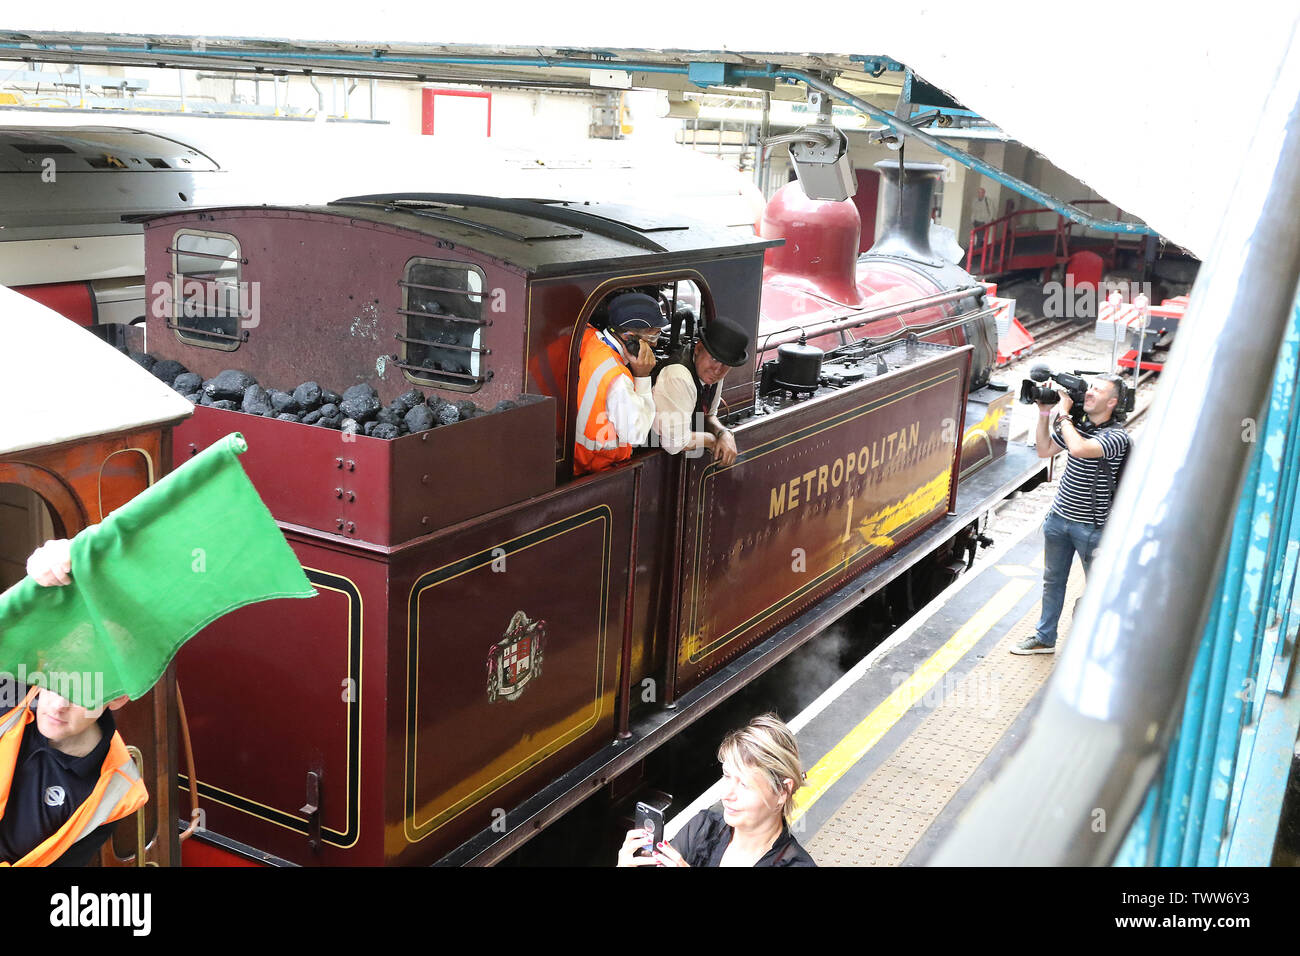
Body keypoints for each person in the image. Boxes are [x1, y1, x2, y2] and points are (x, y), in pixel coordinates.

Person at [0, 538, 147, 867]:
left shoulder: (112, 791)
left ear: (117, 698)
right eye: (54, 679)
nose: (57, 704)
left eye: (82, 692)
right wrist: (38, 581)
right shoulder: (11, 690)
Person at [1012, 374, 1131, 655]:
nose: (1089, 393)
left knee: (1099, 587)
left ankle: (1096, 643)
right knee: (1052, 581)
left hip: (1092, 527)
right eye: (1089, 388)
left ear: (1112, 402)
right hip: (1059, 519)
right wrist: (1044, 413)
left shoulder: (1115, 437)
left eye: (1097, 391)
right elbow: (1044, 450)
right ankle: (1045, 637)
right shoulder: (1081, 428)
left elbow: (1079, 449)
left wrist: (1064, 415)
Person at [616, 713, 816, 867]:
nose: (726, 795)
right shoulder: (702, 829)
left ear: (782, 791)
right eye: (727, 776)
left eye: (744, 785)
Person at [573, 292, 660, 475]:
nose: (654, 346)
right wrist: (643, 377)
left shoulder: (591, 338)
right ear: (629, 338)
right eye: (652, 338)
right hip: (598, 468)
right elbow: (636, 435)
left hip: (578, 458)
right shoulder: (618, 379)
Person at [651, 316, 750, 468]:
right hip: (648, 457)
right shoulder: (679, 376)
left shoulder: (712, 374)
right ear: (698, 348)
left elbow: (709, 415)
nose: (718, 370)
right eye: (714, 359)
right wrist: (711, 440)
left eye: (726, 364)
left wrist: (724, 433)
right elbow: (674, 443)